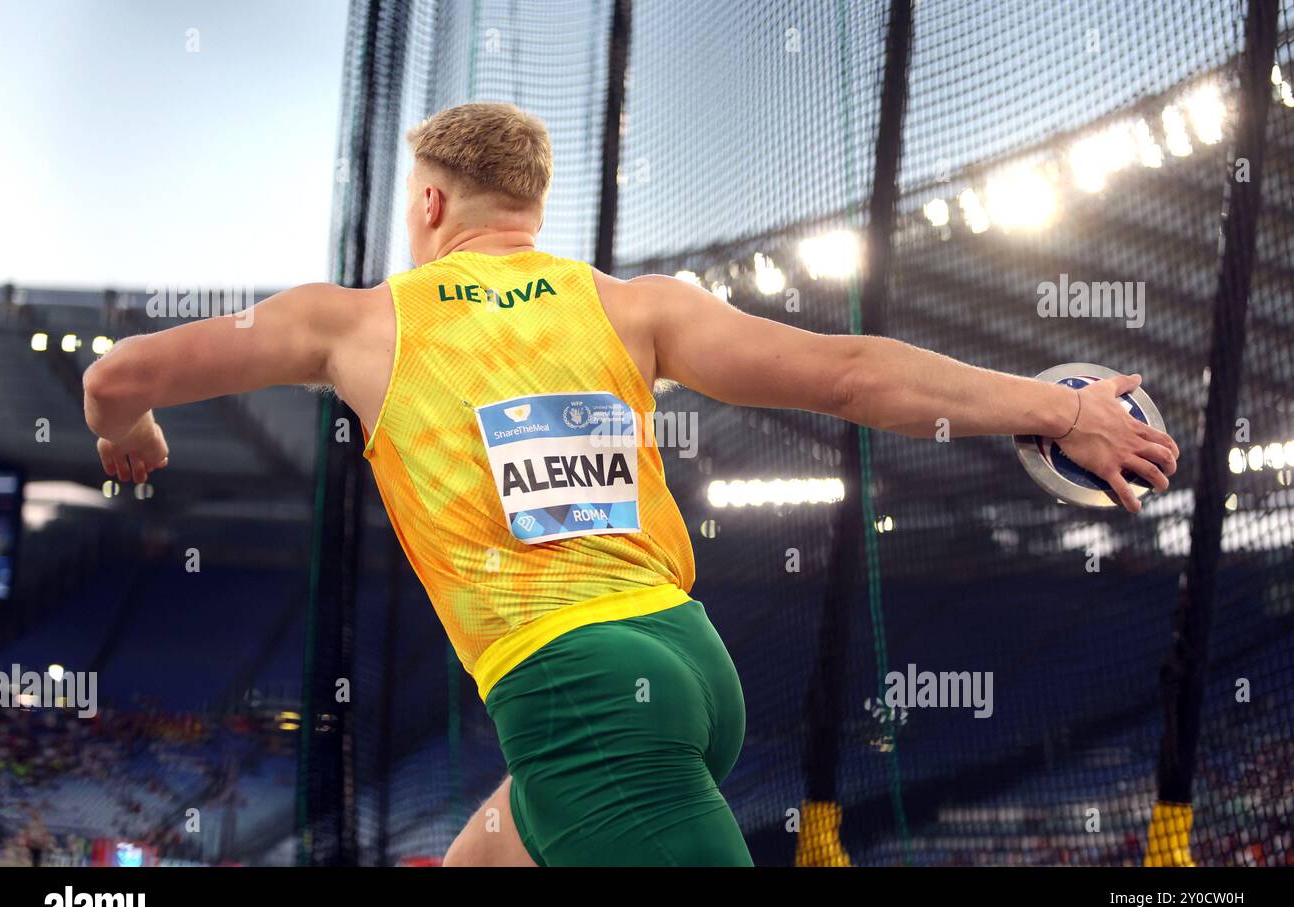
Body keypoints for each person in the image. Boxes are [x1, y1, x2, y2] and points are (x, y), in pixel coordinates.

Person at [82, 102, 1179, 866]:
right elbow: (849, 373)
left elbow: (114, 374)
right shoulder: (637, 305)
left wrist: (130, 431)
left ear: (426, 205)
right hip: (687, 664)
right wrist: (1058, 406)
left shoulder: (351, 321)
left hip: (580, 695)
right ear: (533, 207)